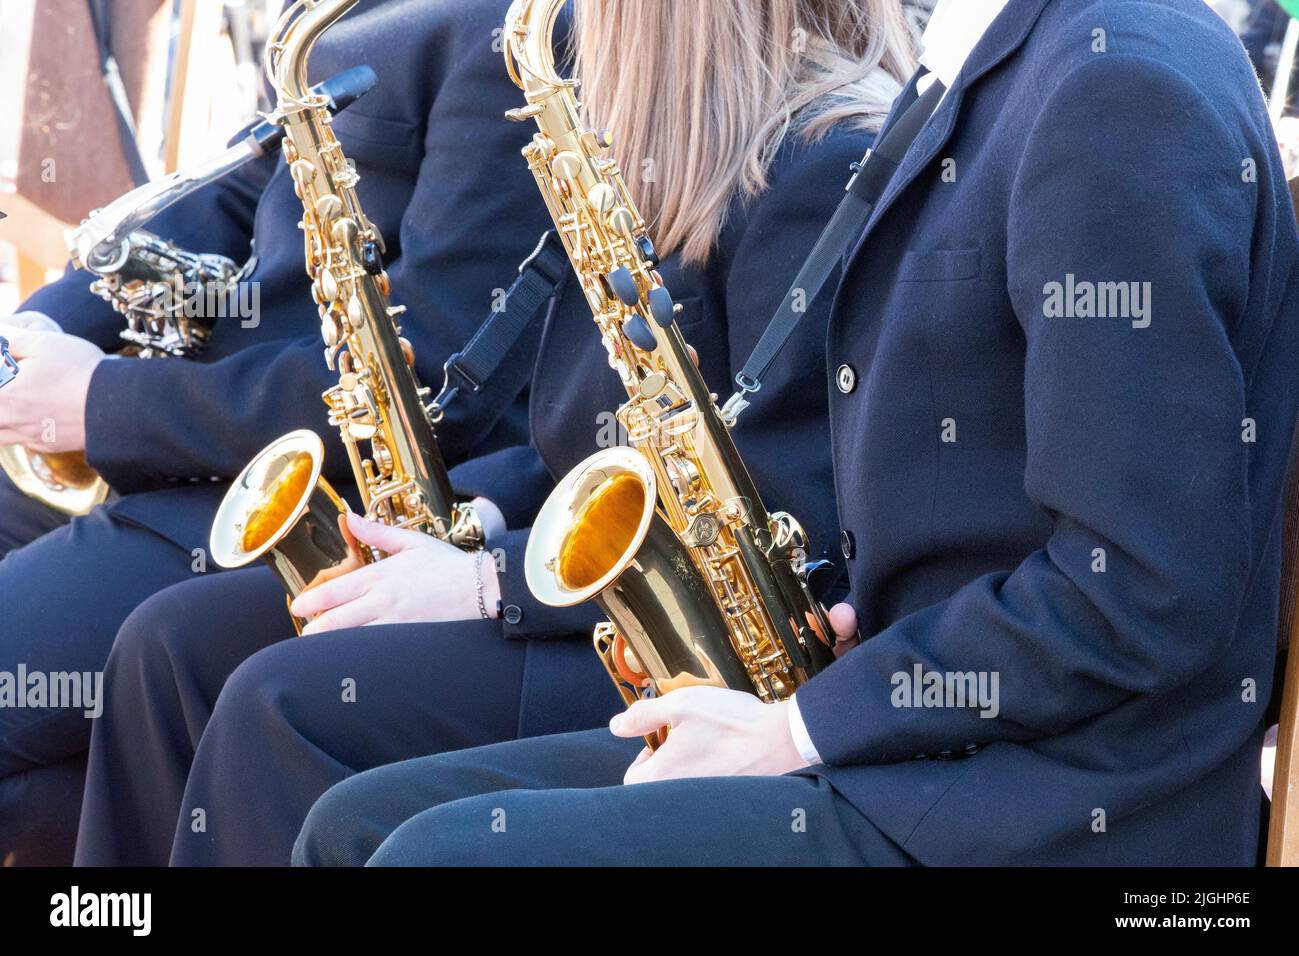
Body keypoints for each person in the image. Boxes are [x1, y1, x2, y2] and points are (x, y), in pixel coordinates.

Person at [296, 0, 1299, 867]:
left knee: (434, 853)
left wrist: (801, 725)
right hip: (940, 743)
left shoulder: (1115, 87)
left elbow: (1135, 589)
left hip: (1050, 810)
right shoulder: (1020, 53)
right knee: (358, 824)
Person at [72, 0, 915, 866]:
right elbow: (581, 441)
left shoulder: (819, 167)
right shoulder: (651, 161)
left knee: (279, 703)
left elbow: (784, 535)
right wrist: (479, 516)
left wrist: (486, 583)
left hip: (693, 659)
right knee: (172, 646)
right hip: (581, 597)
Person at [0, 0, 556, 865]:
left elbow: (435, 384)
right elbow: (241, 181)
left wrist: (102, 404)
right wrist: (42, 330)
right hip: (193, 433)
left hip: (301, 486)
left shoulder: (515, 37)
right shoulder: (345, 15)